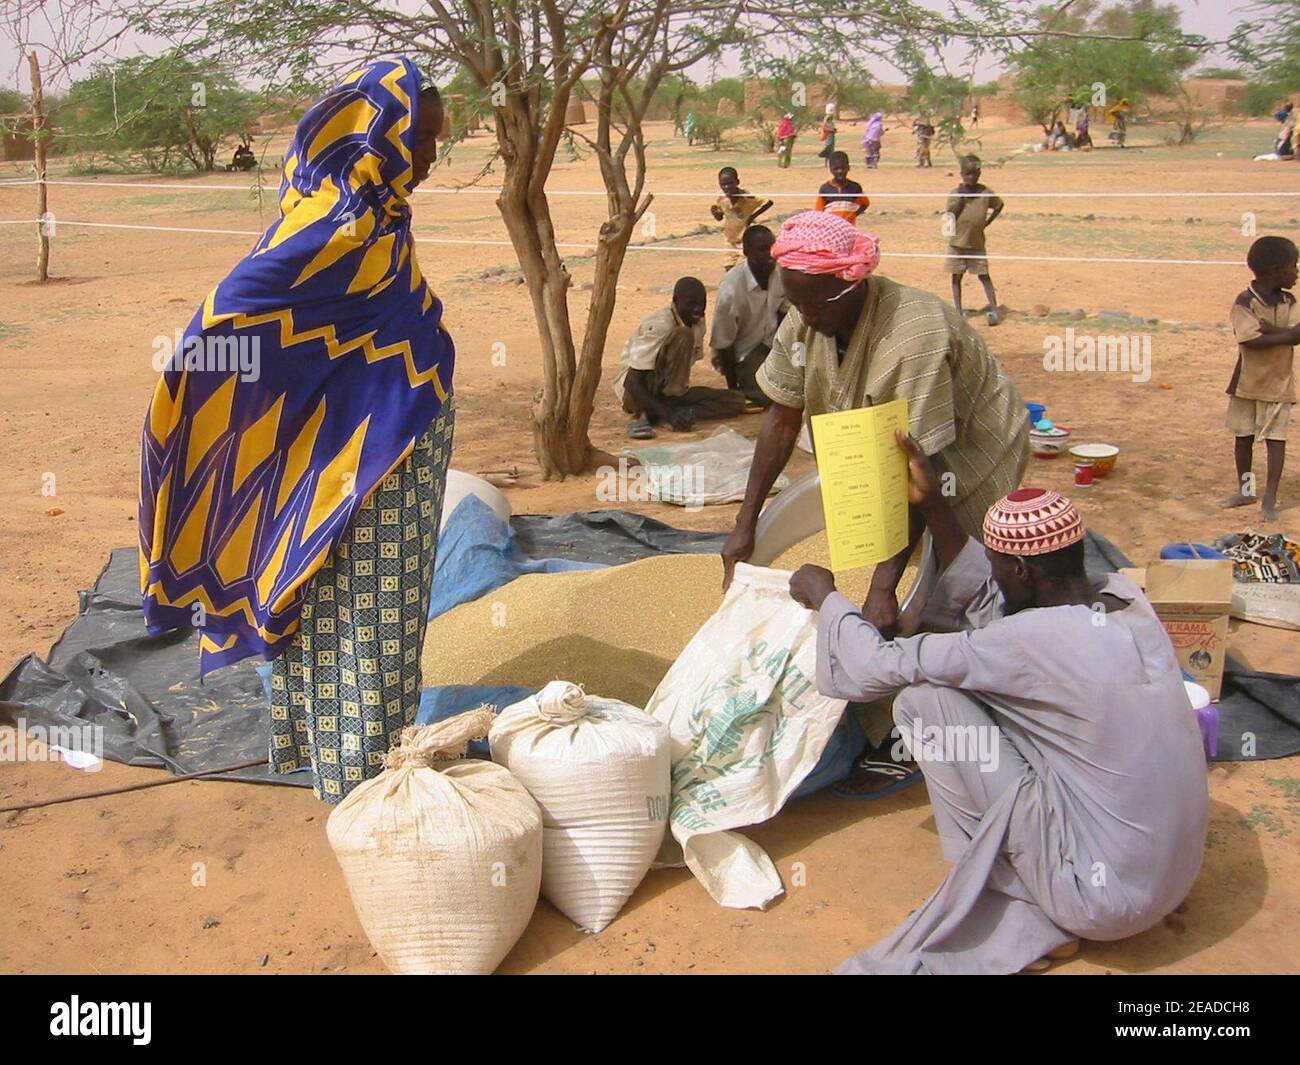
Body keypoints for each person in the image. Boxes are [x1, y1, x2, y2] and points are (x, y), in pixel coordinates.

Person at [139, 58, 456, 804]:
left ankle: (354, 766)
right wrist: (188, 404)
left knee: (368, 608)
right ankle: (363, 779)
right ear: (378, 135)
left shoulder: (378, 214)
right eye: (426, 139)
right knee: (360, 610)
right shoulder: (331, 225)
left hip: (389, 446)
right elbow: (237, 313)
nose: (436, 155)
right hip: (365, 454)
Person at [789, 451, 1208, 975]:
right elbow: (995, 603)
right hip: (1169, 876)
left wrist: (826, 597)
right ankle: (1038, 883)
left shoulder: (1024, 643)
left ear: (1021, 569)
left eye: (997, 566)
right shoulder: (1122, 598)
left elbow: (873, 667)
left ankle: (1009, 893)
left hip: (1100, 902)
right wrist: (934, 506)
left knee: (924, 704)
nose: (993, 578)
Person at [722, 211, 1029, 793]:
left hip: (966, 452)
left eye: (816, 306)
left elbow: (919, 474)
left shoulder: (913, 336)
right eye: (795, 304)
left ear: (853, 284)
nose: (805, 318)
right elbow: (782, 419)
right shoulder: (806, 314)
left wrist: (883, 587)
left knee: (953, 584)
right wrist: (745, 524)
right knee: (902, 581)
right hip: (883, 454)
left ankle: (926, 723)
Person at [1220, 236, 1300, 522]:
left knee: (1275, 441)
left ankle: (1269, 498)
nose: (1297, 272)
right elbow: (1250, 339)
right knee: (1244, 439)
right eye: (1294, 266)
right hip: (1247, 384)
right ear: (1277, 270)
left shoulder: (1288, 300)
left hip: (1278, 385)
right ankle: (1247, 491)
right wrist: (1283, 334)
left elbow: (1296, 336)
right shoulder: (1245, 302)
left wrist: (1270, 331)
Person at [612, 276, 746, 439]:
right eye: (691, 304)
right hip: (639, 394)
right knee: (683, 335)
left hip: (671, 395)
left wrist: (668, 410)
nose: (698, 309)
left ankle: (660, 414)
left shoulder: (697, 322)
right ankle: (657, 412)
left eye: (701, 304)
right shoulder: (660, 325)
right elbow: (632, 382)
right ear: (676, 301)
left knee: (735, 401)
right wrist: (669, 413)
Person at [710, 225, 787, 407]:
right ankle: (746, 389)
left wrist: (785, 347)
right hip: (744, 355)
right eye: (762, 249)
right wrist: (733, 388)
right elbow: (723, 344)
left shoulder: (780, 273)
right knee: (773, 395)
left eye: (772, 247)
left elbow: (786, 312)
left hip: (772, 345)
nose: (770, 254)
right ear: (746, 251)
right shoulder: (732, 289)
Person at [945, 155, 1005, 326]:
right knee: (956, 277)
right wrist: (962, 201)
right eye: (967, 174)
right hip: (957, 243)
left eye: (974, 174)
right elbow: (950, 216)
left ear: (979, 173)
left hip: (977, 244)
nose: (971, 177)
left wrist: (986, 223)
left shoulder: (985, 193)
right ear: (961, 174)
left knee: (984, 276)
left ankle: (994, 309)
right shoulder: (955, 194)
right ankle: (957, 309)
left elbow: (999, 205)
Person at [711, 167, 773, 266]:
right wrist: (714, 212)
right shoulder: (722, 199)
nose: (727, 187)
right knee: (728, 267)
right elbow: (719, 217)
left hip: (745, 239)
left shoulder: (746, 197)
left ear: (737, 182)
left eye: (730, 183)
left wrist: (752, 217)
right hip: (730, 240)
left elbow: (768, 202)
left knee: (747, 266)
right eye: (723, 184)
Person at [815, 151, 870, 225]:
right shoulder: (825, 189)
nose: (840, 171)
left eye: (843, 168)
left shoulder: (855, 187)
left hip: (849, 228)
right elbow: (818, 211)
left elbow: (865, 204)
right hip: (830, 228)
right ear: (830, 170)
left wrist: (853, 215)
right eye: (836, 169)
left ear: (848, 168)